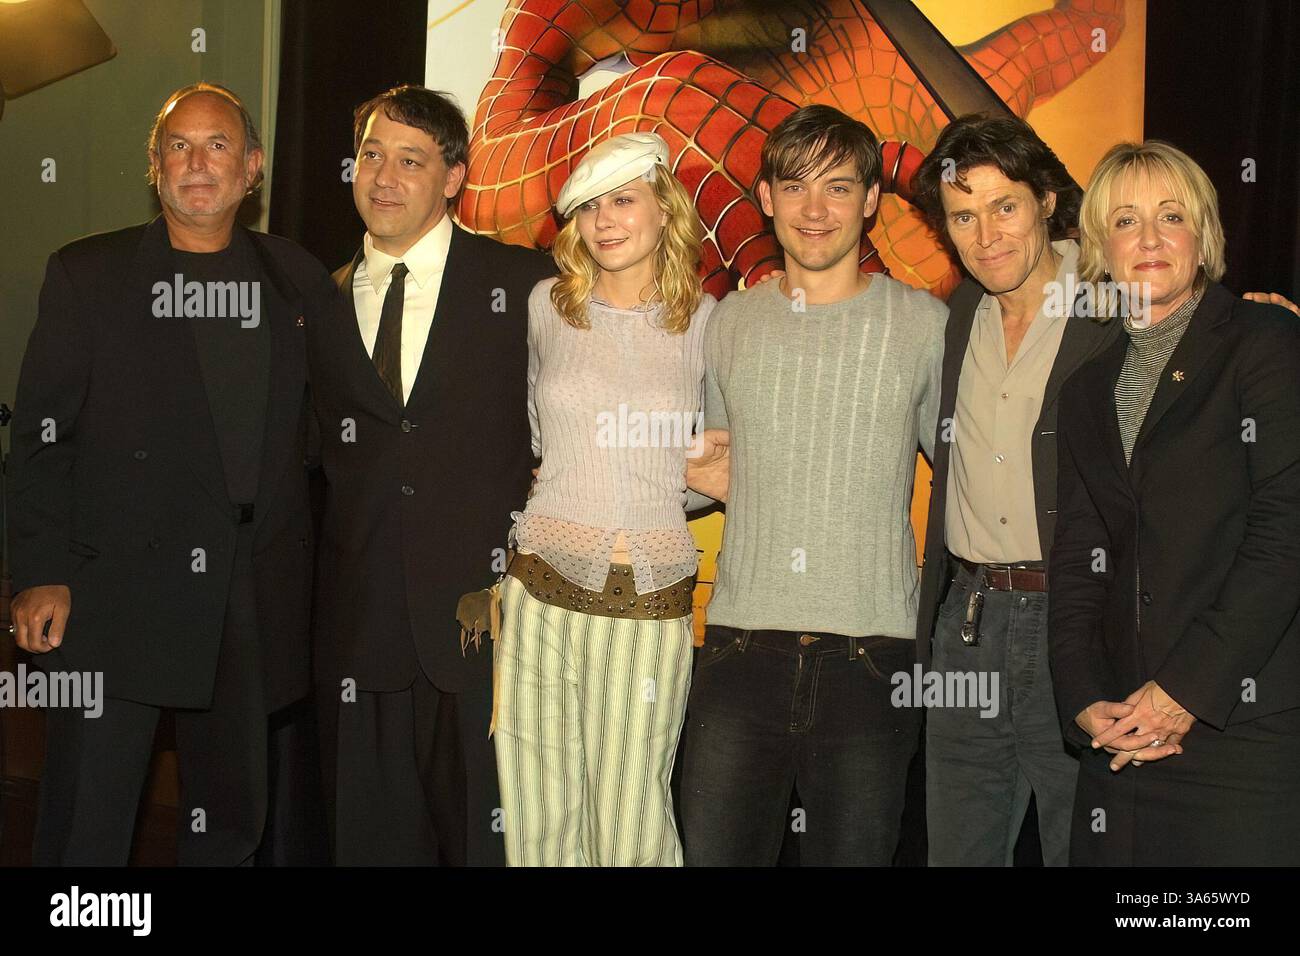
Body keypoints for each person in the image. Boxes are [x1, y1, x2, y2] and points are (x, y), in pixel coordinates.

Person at [7, 82, 329, 865]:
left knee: (229, 824)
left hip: (249, 596)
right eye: (178, 146)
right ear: (155, 167)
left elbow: (330, 436)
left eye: (217, 145)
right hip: (113, 591)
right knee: (88, 818)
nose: (197, 162)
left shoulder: (297, 280)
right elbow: (43, 438)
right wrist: (39, 573)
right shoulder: (88, 275)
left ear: (252, 168)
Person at [681, 105, 946, 866]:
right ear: (764, 196)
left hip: (873, 658)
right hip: (738, 653)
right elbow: (716, 468)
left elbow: (978, 467)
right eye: (794, 186)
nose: (815, 209)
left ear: (871, 199)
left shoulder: (925, 325)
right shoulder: (727, 322)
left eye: (838, 186)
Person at [307, 85, 555, 865]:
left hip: (486, 628)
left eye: (409, 161)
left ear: (453, 178)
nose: (383, 176)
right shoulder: (316, 298)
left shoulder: (529, 286)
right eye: (372, 156)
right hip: (357, 633)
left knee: (487, 844)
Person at [1050, 140, 1300, 865]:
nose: (1151, 238)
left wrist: (1184, 691)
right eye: (1126, 221)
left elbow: (1286, 535)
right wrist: (1084, 699)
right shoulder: (1086, 389)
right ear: (1101, 245)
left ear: (1205, 237)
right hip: (1122, 737)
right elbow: (1077, 562)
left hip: (1242, 733)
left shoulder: (1266, 342)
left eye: (1171, 216)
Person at [493, 132, 716, 866]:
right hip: (537, 588)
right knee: (536, 811)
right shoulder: (546, 308)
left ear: (665, 211)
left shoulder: (708, 323)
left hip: (647, 597)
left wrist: (660, 490)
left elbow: (715, 463)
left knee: (631, 819)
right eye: (590, 207)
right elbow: (541, 437)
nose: (606, 220)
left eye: (623, 199)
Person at [908, 114, 1100, 866]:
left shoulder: (1115, 303)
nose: (985, 234)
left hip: (1079, 623)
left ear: (1047, 199)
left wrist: (1250, 320)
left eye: (1004, 206)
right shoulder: (957, 316)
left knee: (1083, 848)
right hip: (969, 622)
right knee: (958, 851)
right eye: (963, 214)